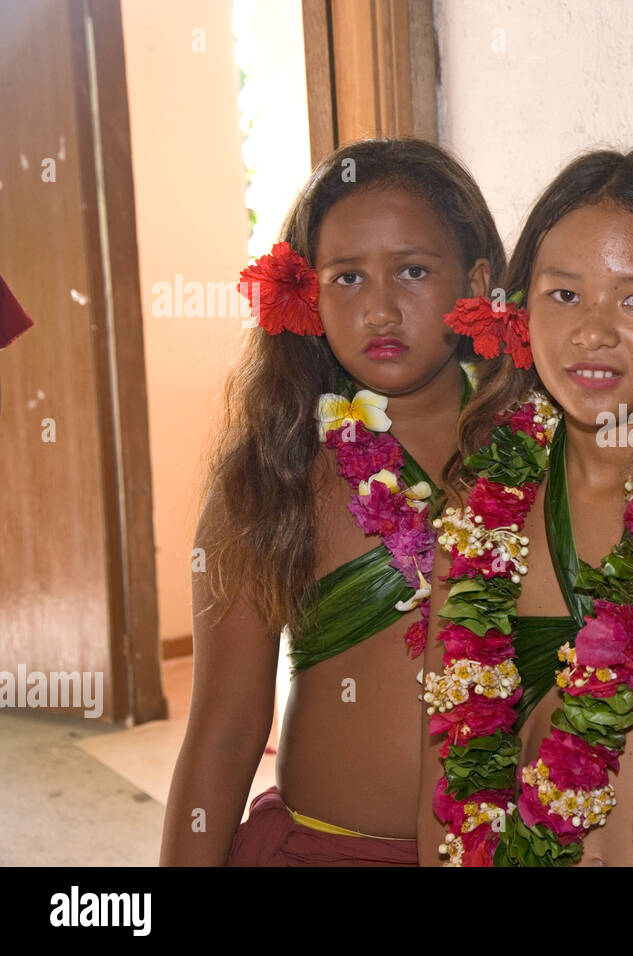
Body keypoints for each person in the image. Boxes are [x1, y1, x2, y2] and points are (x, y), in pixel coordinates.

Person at [160, 138, 504, 865]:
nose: (380, 310)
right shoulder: (274, 471)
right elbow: (223, 735)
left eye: (412, 271)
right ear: (306, 296)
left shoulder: (534, 453)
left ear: (476, 282)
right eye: (347, 277)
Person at [419, 149, 633, 865]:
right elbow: (440, 776)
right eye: (563, 294)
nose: (593, 332)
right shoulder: (482, 504)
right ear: (521, 311)